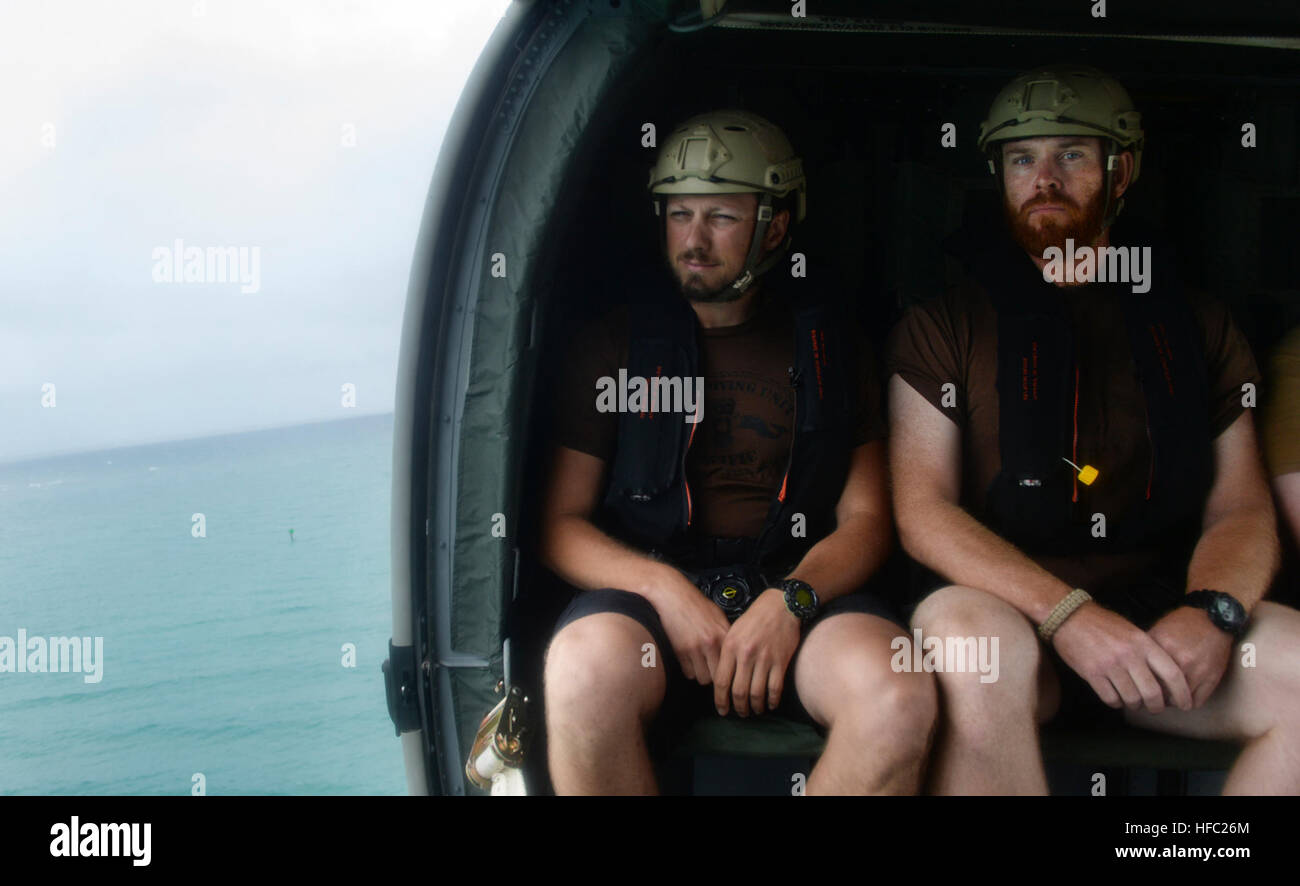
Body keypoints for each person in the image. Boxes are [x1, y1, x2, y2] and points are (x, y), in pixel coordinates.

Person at [887, 66, 1300, 794]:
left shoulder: (1198, 322)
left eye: (1070, 155)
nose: (1043, 178)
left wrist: (1214, 611)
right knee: (973, 652)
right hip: (1008, 607)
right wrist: (1069, 617)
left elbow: (1239, 505)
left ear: (1122, 169)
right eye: (1021, 160)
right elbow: (923, 511)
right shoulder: (944, 323)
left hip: (1161, 614)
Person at [540, 109, 935, 795]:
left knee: (896, 696)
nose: (693, 240)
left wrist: (791, 601)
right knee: (579, 674)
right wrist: (662, 589)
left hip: (796, 590)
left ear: (774, 226)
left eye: (720, 217)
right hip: (649, 599)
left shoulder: (831, 347)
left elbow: (868, 520)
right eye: (679, 214)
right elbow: (558, 524)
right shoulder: (613, 344)